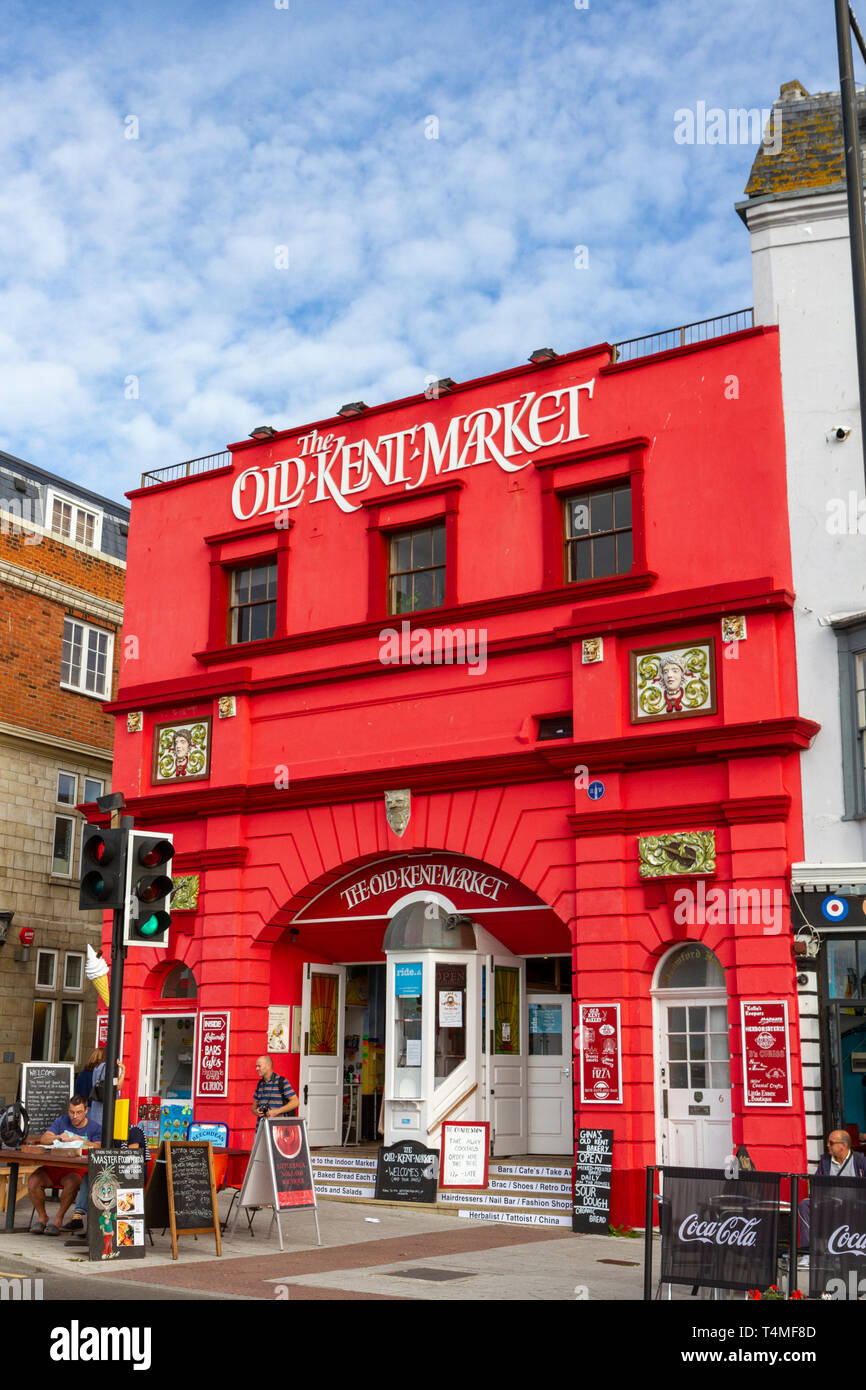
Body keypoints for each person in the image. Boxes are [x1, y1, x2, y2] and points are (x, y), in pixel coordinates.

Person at [26, 1095, 101, 1235]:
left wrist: (82, 1141)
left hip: (74, 1171)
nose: (74, 1116)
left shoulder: (95, 1127)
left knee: (72, 1182)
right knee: (33, 1181)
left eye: (79, 1112)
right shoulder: (61, 1121)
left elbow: (99, 1146)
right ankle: (42, 1217)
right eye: (72, 1112)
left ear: (86, 1111)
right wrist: (58, 1137)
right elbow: (44, 1139)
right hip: (53, 1167)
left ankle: (58, 1219)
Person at [797, 1129, 866, 1267]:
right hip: (831, 1203)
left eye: (831, 1142)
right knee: (804, 1204)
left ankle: (846, 1254)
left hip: (854, 1205)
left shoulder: (860, 1161)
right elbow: (816, 1184)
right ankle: (808, 1252)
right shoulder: (825, 1161)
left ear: (843, 1146)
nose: (827, 1145)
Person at [63, 1122, 146, 1234]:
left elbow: (131, 1156)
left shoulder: (134, 1131)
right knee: (89, 1176)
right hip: (116, 1172)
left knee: (95, 1179)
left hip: (133, 1175)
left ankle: (92, 1229)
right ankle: (80, 1216)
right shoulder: (111, 1134)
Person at [251, 1055, 298, 1124]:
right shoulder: (260, 1084)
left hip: (278, 1128)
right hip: (261, 1127)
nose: (256, 1069)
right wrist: (256, 1111)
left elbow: (295, 1102)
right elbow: (253, 1107)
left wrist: (277, 1111)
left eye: (259, 1066)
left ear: (268, 1066)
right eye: (256, 1066)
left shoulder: (281, 1082)